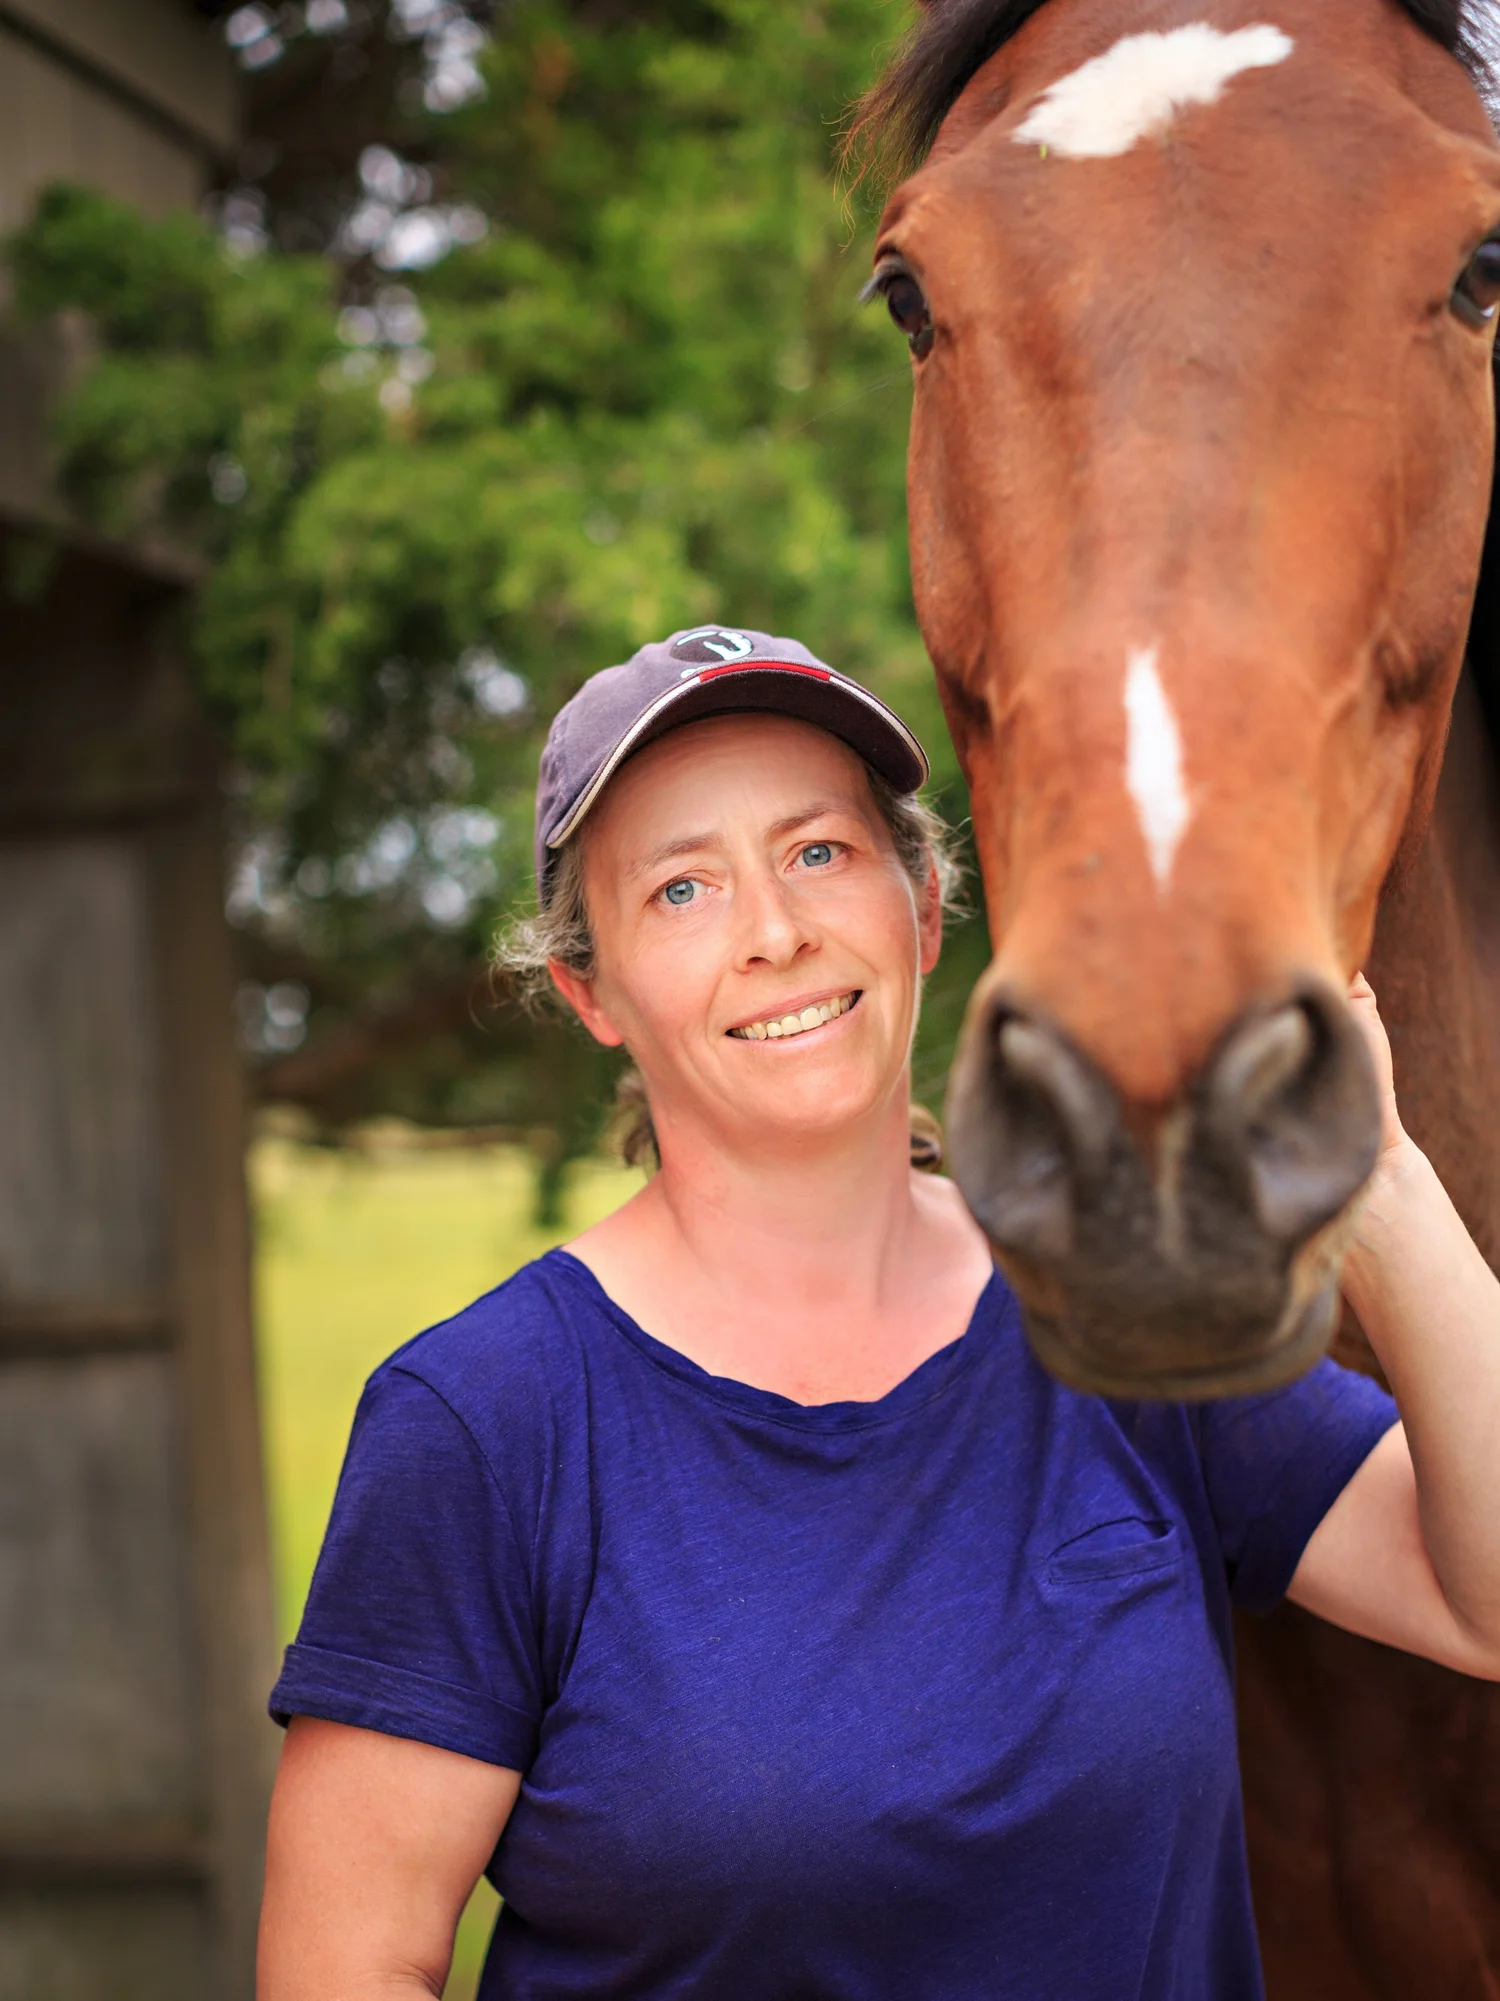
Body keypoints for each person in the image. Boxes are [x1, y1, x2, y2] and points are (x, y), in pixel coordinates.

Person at [258, 626, 1500, 2001]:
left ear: (921, 908)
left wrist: (1377, 1183)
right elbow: (345, 1964)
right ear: (590, 991)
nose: (775, 933)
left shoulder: (1109, 1304)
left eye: (819, 853)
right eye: (682, 891)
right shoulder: (485, 1421)